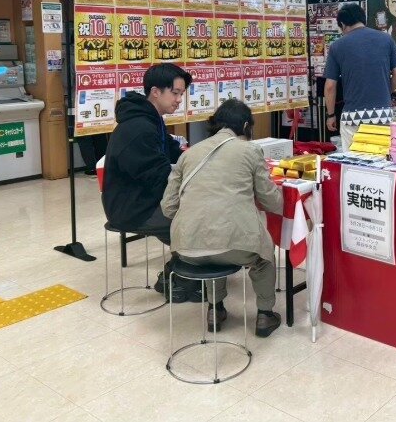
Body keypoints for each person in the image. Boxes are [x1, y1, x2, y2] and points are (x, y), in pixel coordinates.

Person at [161, 99, 284, 337]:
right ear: (246, 125)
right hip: (235, 247)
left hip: (185, 248)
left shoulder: (189, 154)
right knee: (264, 256)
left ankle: (215, 310)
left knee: (209, 246)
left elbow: (168, 207)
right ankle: (265, 315)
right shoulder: (250, 150)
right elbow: (272, 202)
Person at [102, 63, 192, 245]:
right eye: (175, 93)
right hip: (133, 209)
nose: (179, 100)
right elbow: (157, 176)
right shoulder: (139, 128)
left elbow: (174, 151)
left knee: (200, 210)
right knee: (198, 219)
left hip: (145, 199)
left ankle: (184, 258)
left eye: (181, 94)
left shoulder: (152, 119)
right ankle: (185, 261)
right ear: (156, 92)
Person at [324, 3, 396, 151]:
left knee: (353, 160)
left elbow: (330, 86)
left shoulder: (337, 46)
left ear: (343, 24)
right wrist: (385, 92)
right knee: (380, 158)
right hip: (382, 114)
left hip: (352, 116)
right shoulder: (386, 39)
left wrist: (331, 115)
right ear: (362, 19)